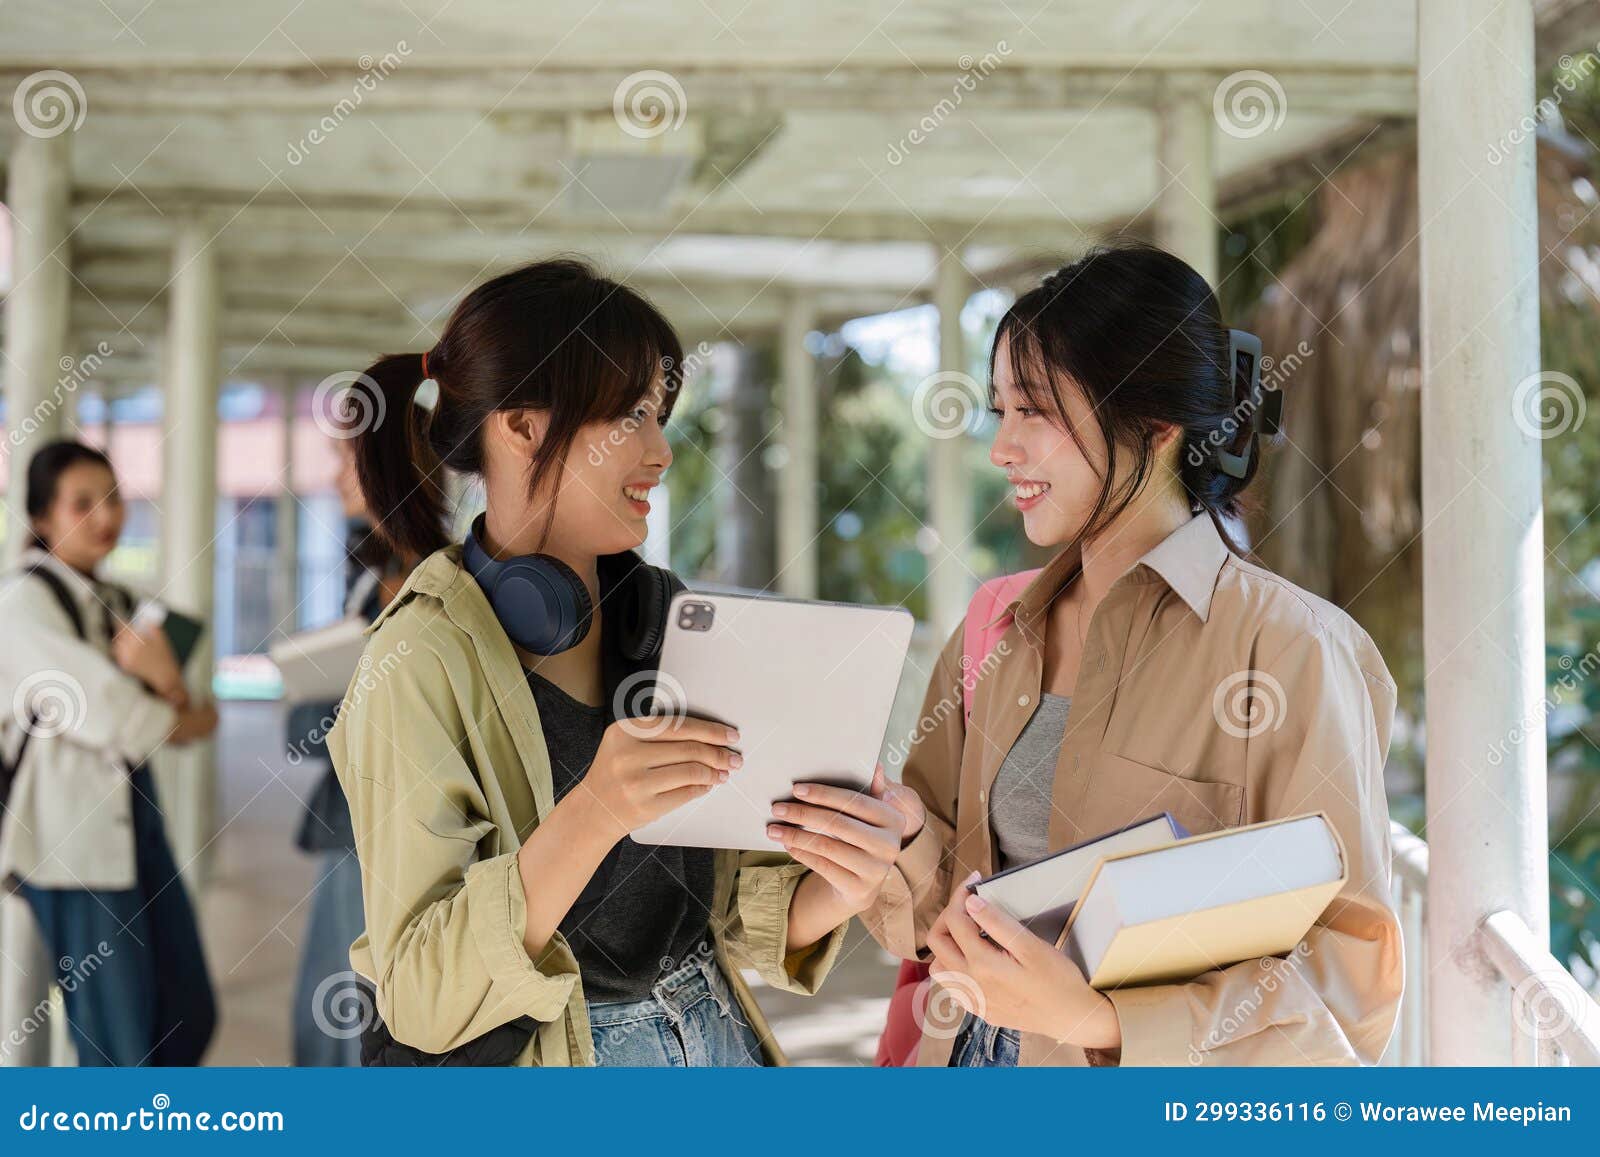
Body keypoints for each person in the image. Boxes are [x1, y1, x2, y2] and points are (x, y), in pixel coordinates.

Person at [329, 258, 916, 1066]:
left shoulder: (661, 615)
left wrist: (843, 876)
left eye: (659, 413)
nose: (661, 450)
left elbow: (728, 919)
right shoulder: (417, 662)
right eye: (632, 413)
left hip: (716, 1038)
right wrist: (595, 810)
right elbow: (422, 994)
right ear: (523, 424)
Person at [864, 243, 1403, 1067]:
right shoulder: (1001, 635)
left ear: (1154, 427)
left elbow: (1347, 984)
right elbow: (948, 915)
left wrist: (1099, 1020)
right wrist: (900, 840)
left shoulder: (1296, 649)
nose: (1002, 448)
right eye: (998, 411)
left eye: (1035, 412)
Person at [0, 439, 219, 1066]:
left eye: (114, 497)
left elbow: (205, 713)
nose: (106, 517)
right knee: (117, 1039)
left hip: (136, 824)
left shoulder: (121, 602)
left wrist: (168, 688)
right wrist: (162, 691)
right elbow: (122, 721)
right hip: (71, 847)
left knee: (187, 1010)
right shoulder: (23, 604)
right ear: (41, 520)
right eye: (82, 504)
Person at [288, 438, 415, 1066]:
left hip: (373, 824)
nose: (335, 471)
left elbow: (375, 715)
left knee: (347, 1010)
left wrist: (313, 711)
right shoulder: (373, 564)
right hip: (353, 815)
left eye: (348, 457)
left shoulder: (415, 576)